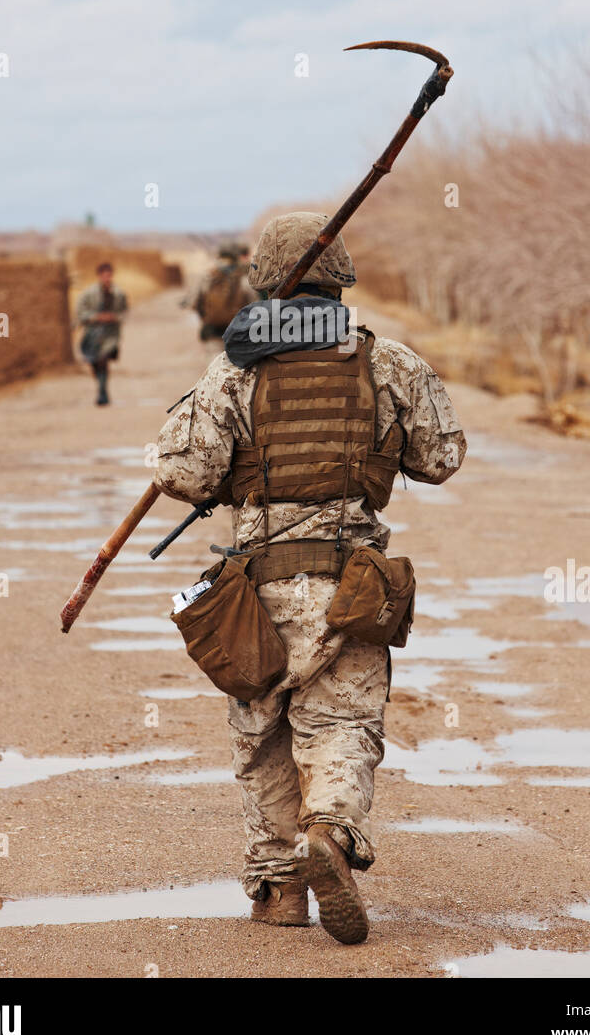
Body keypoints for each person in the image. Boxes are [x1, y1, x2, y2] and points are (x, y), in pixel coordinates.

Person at [150, 212, 466, 944]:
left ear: (267, 285)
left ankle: (279, 893)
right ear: (340, 281)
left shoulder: (235, 369)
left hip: (257, 591)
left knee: (261, 736)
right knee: (343, 725)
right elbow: (442, 458)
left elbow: (184, 471)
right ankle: (328, 832)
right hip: (353, 587)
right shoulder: (389, 363)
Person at [74, 262, 128, 406]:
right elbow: (80, 312)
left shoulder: (118, 294)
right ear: (99, 276)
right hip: (93, 334)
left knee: (103, 360)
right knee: (94, 362)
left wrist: (114, 317)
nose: (107, 278)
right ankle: (101, 386)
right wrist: (96, 317)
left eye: (109, 275)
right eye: (104, 276)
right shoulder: (89, 294)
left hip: (110, 334)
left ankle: (102, 393)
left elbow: (124, 312)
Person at [192, 241, 253, 342]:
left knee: (214, 357)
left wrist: (207, 321)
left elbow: (196, 303)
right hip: (238, 335)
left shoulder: (209, 277)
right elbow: (254, 305)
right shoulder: (243, 279)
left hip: (213, 333)